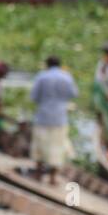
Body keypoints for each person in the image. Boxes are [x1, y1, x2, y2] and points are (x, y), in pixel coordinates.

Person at [29, 56, 79, 184]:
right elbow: (73, 94)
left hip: (43, 117)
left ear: (47, 65)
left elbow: (34, 97)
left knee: (39, 146)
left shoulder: (42, 76)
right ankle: (52, 178)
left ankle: (38, 174)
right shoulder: (66, 77)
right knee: (57, 147)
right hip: (60, 117)